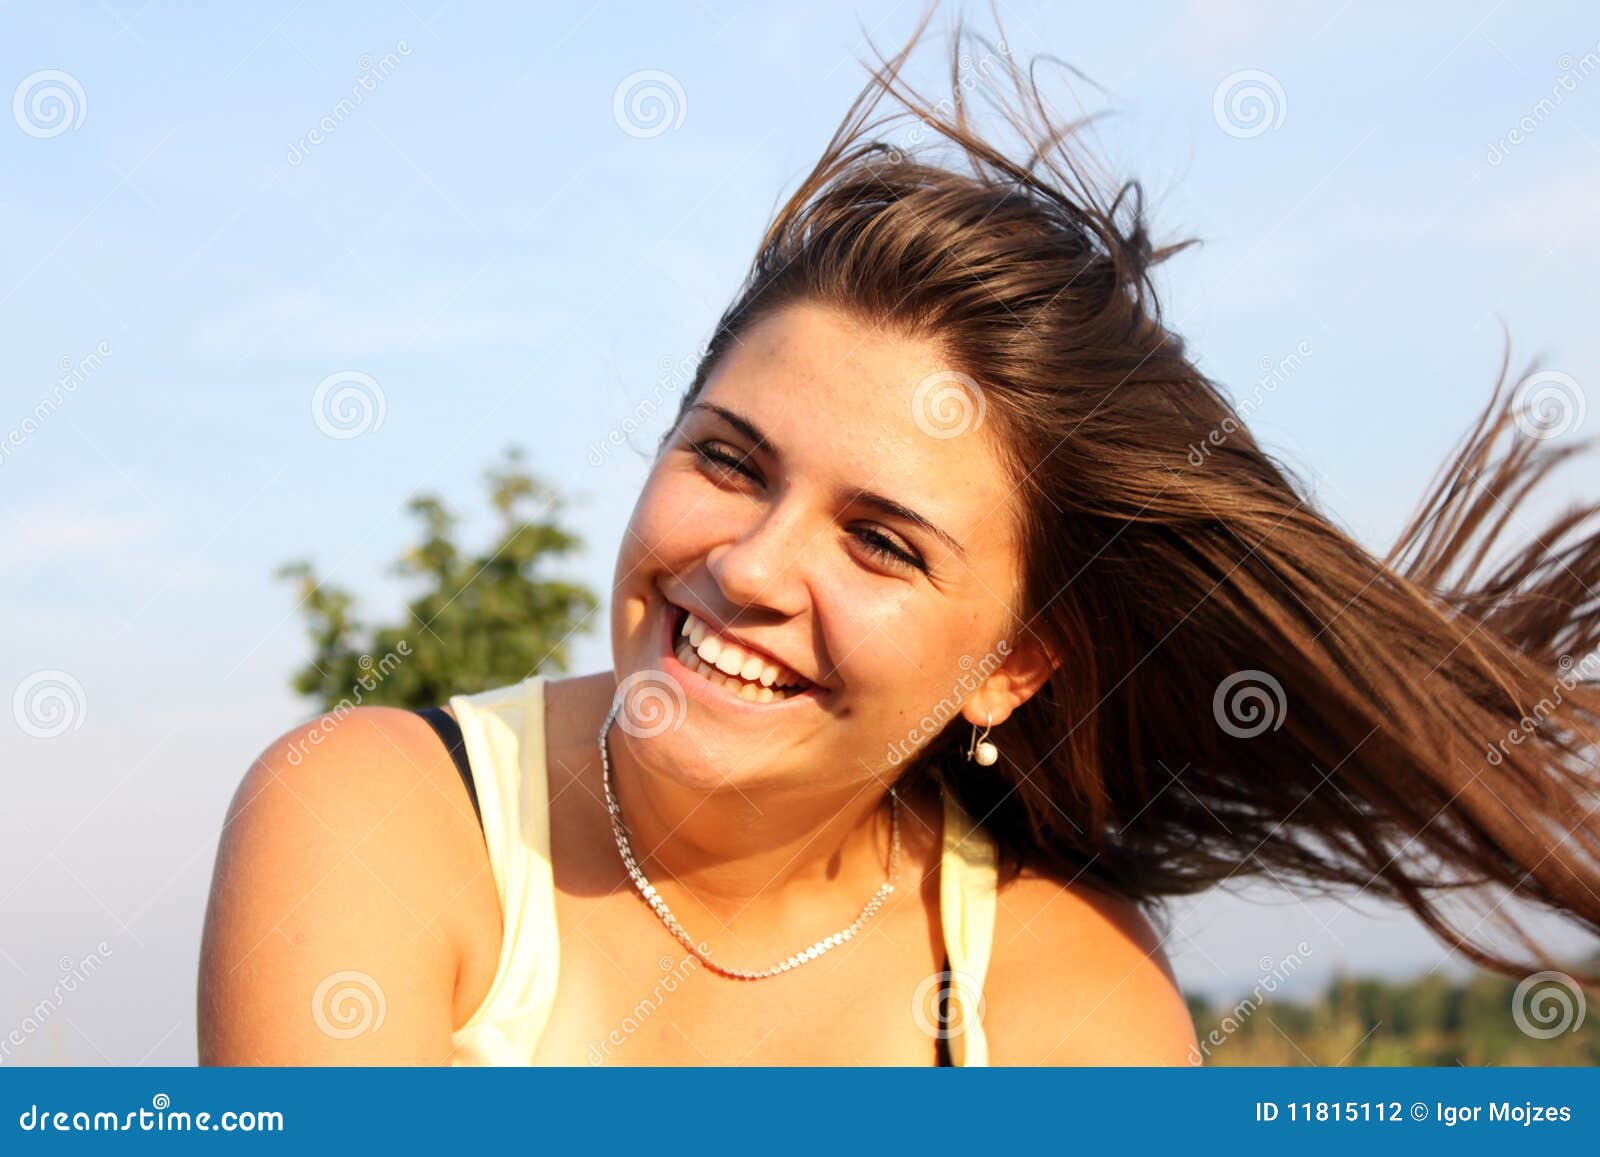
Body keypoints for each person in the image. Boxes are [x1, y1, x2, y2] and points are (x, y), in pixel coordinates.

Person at [197, 7, 1600, 1066]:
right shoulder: (376, 820)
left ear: (1012, 665)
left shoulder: (1063, 1001)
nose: (749, 566)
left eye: (881, 542)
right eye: (729, 460)